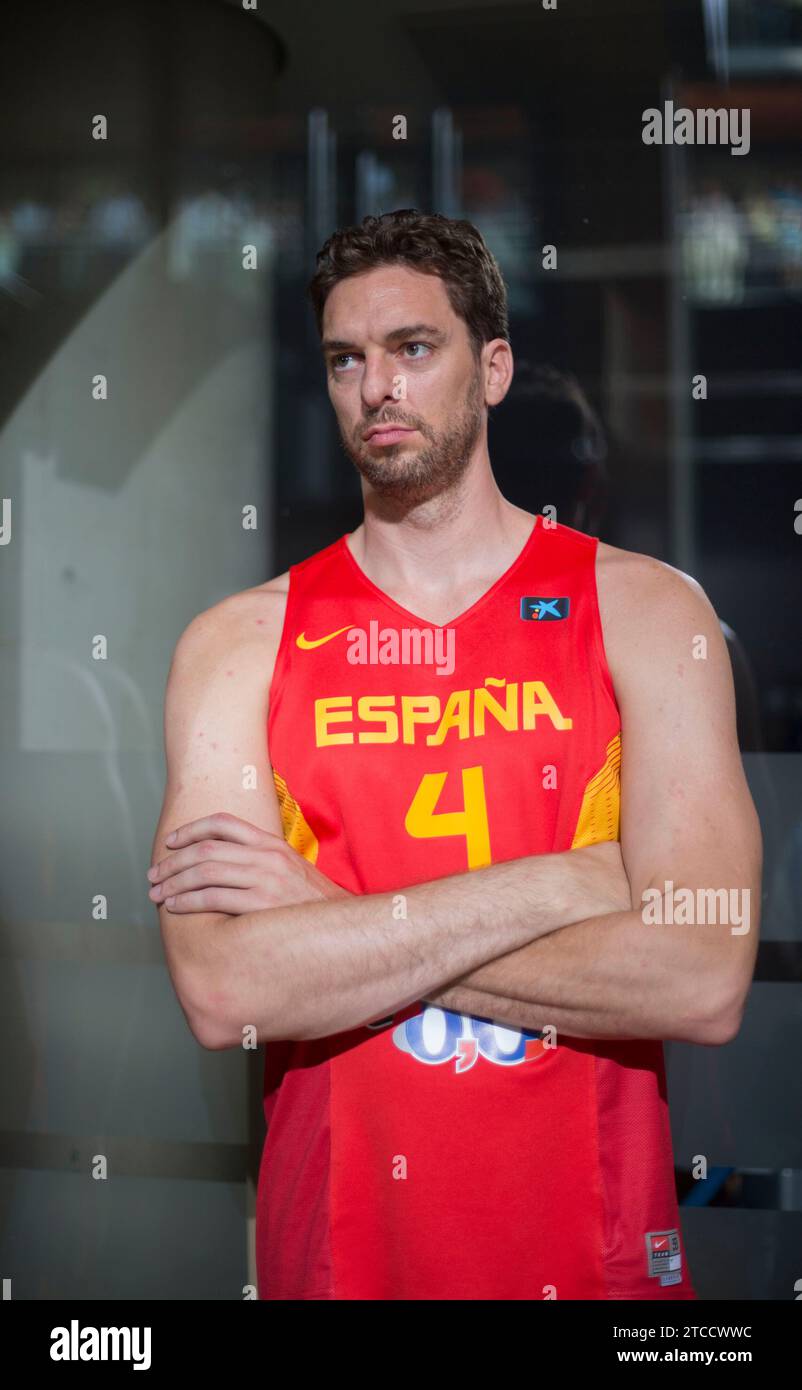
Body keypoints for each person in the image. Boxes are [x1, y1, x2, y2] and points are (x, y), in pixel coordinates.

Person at [148, 209, 761, 1301]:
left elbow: (702, 974)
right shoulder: (239, 643)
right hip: (341, 1259)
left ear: (492, 368)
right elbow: (222, 985)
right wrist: (565, 883)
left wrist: (330, 914)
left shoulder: (645, 612)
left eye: (412, 348)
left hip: (595, 1256)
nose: (375, 387)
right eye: (347, 359)